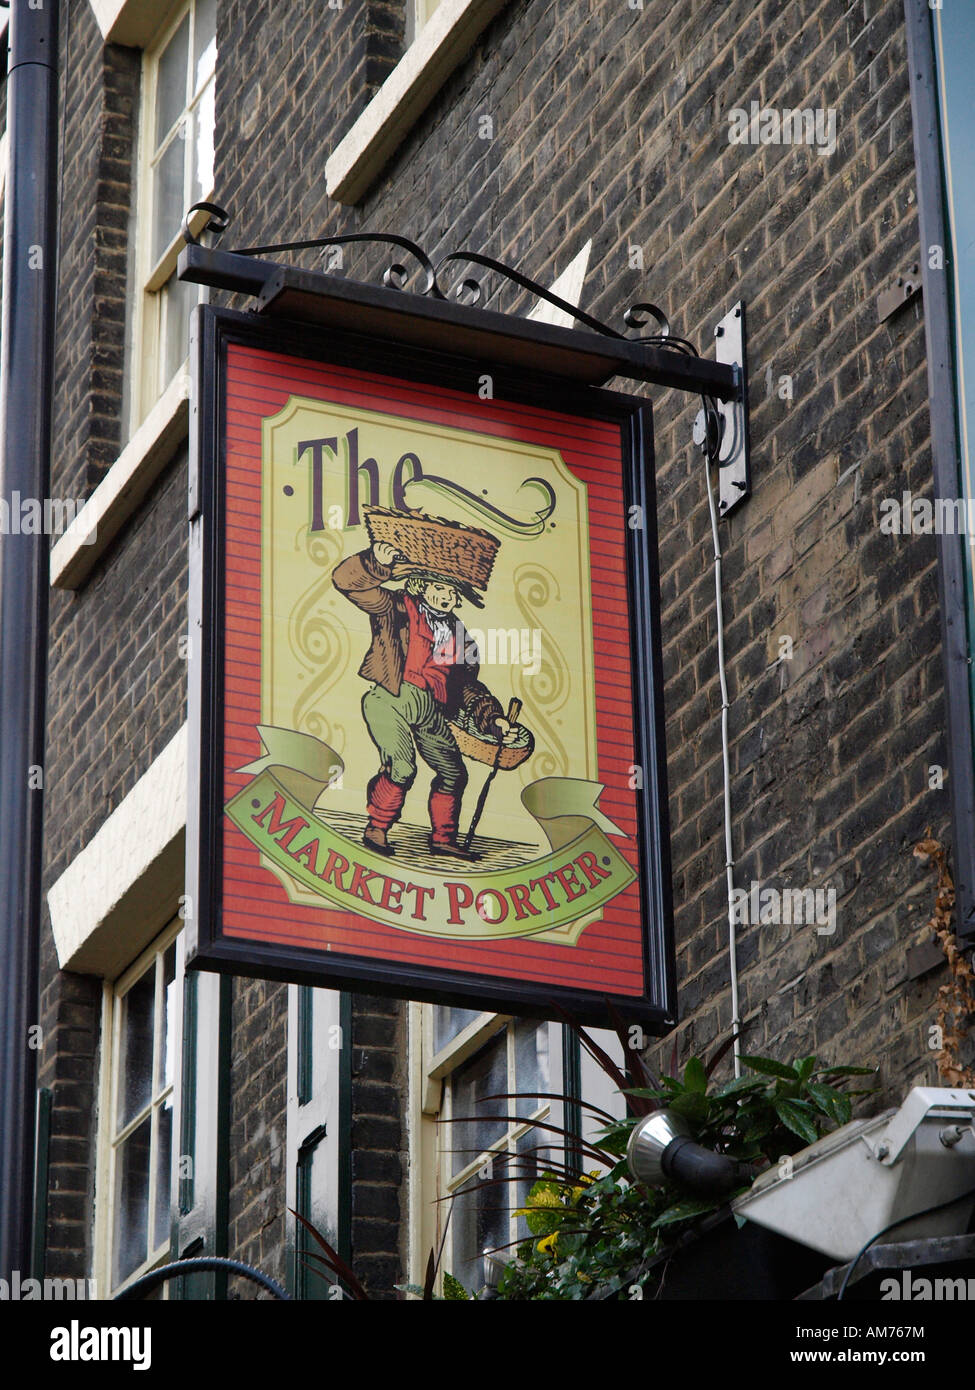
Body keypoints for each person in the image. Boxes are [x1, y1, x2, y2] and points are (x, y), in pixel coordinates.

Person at [332, 528, 516, 860]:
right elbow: (347, 582)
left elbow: (467, 687)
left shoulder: (461, 636)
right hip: (389, 699)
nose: (444, 595)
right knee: (402, 768)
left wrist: (494, 718)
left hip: (430, 709)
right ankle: (377, 827)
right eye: (438, 587)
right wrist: (376, 562)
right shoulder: (396, 607)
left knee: (454, 772)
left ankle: (443, 839)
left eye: (451, 590)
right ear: (422, 586)